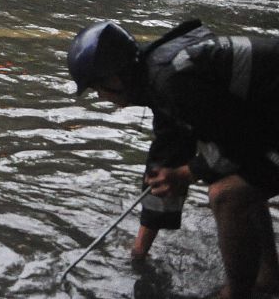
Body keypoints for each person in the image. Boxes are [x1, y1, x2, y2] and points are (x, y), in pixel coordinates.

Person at [67, 19, 279, 299]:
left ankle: (235, 295)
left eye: (98, 89)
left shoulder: (173, 81)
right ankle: (268, 279)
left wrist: (188, 173)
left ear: (115, 79)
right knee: (238, 181)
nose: (102, 97)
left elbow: (242, 142)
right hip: (267, 122)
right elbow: (164, 164)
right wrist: (138, 253)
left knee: (226, 195)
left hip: (265, 125)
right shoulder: (160, 81)